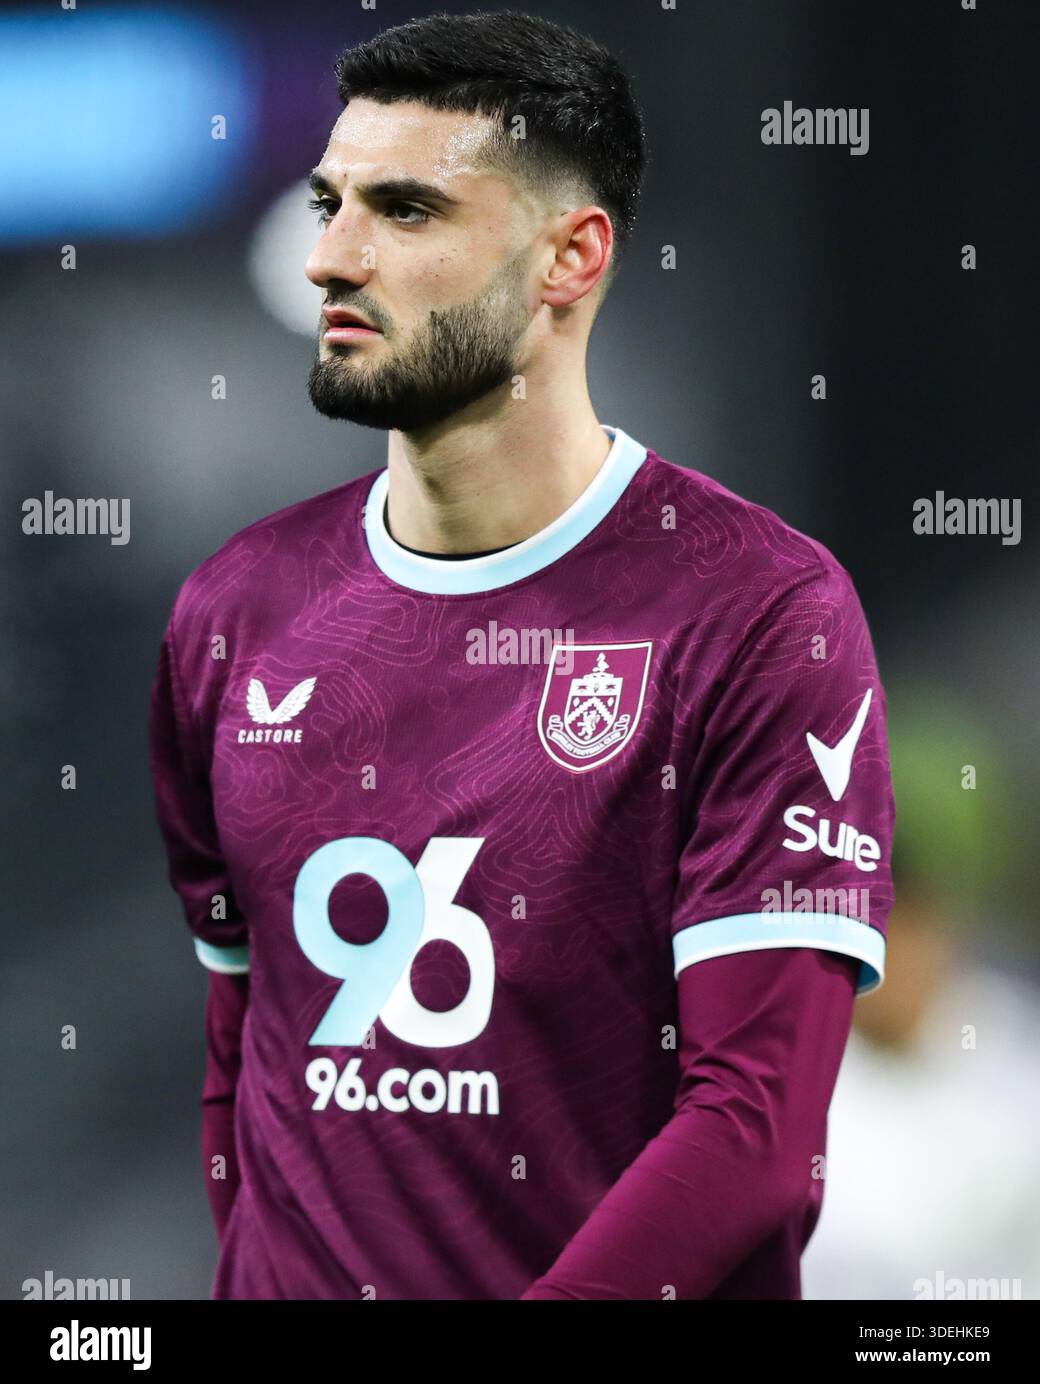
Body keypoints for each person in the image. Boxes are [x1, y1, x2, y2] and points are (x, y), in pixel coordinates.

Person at [149, 9, 894, 1300]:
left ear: (571, 255)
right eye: (329, 201)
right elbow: (245, 1056)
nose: (329, 255)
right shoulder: (234, 612)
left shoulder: (759, 611)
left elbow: (753, 1138)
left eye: (406, 210)